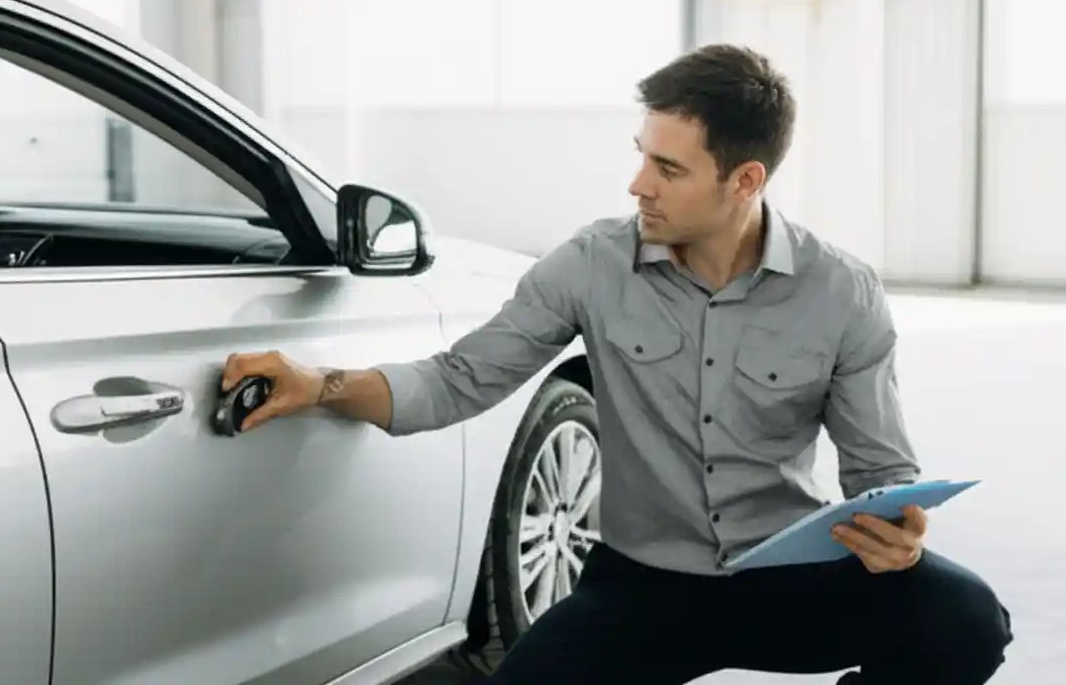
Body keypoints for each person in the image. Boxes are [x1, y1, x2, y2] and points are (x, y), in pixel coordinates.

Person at [219, 44, 1013, 684]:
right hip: (643, 586)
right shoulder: (592, 264)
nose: (639, 185)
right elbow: (459, 380)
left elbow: (881, 472)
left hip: (789, 575)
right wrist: (319, 385)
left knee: (967, 620)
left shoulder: (841, 291)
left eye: (669, 169)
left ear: (745, 181)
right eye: (643, 157)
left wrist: (899, 531)